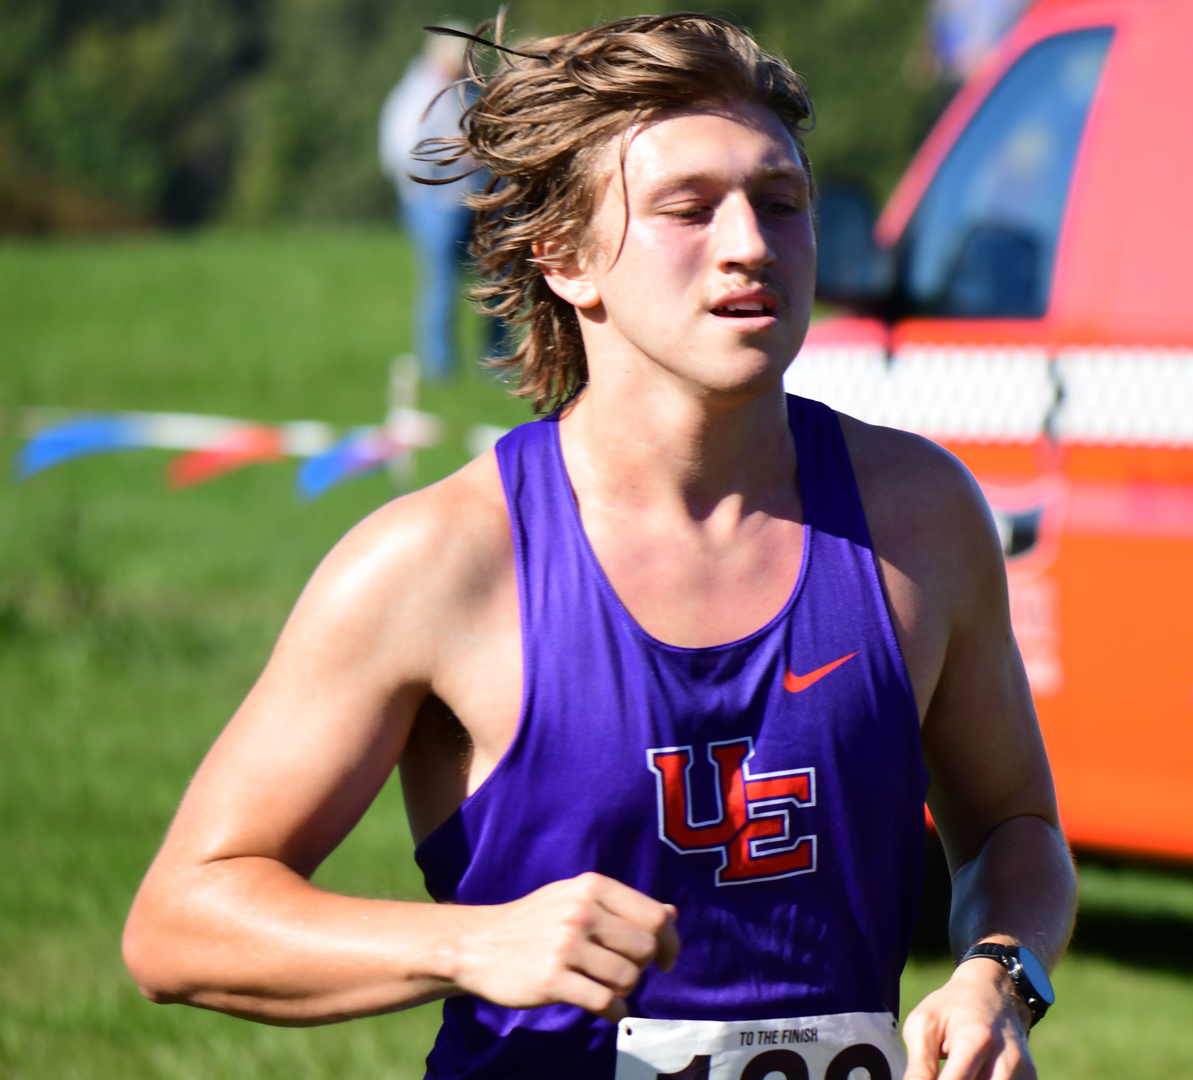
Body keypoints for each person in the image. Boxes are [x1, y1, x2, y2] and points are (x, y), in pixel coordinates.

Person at [123, 13, 1077, 1080]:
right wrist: (472, 944)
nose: (751, 244)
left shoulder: (920, 517)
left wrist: (1001, 973)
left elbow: (1012, 830)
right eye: (688, 208)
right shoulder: (438, 561)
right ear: (569, 260)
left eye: (780, 202)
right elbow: (179, 922)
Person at [380, 24, 490, 379]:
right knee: (442, 283)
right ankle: (440, 369)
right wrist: (457, 157)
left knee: (496, 279)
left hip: (473, 200)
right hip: (430, 202)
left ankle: (496, 362)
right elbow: (402, 154)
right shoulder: (414, 96)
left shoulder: (468, 92)